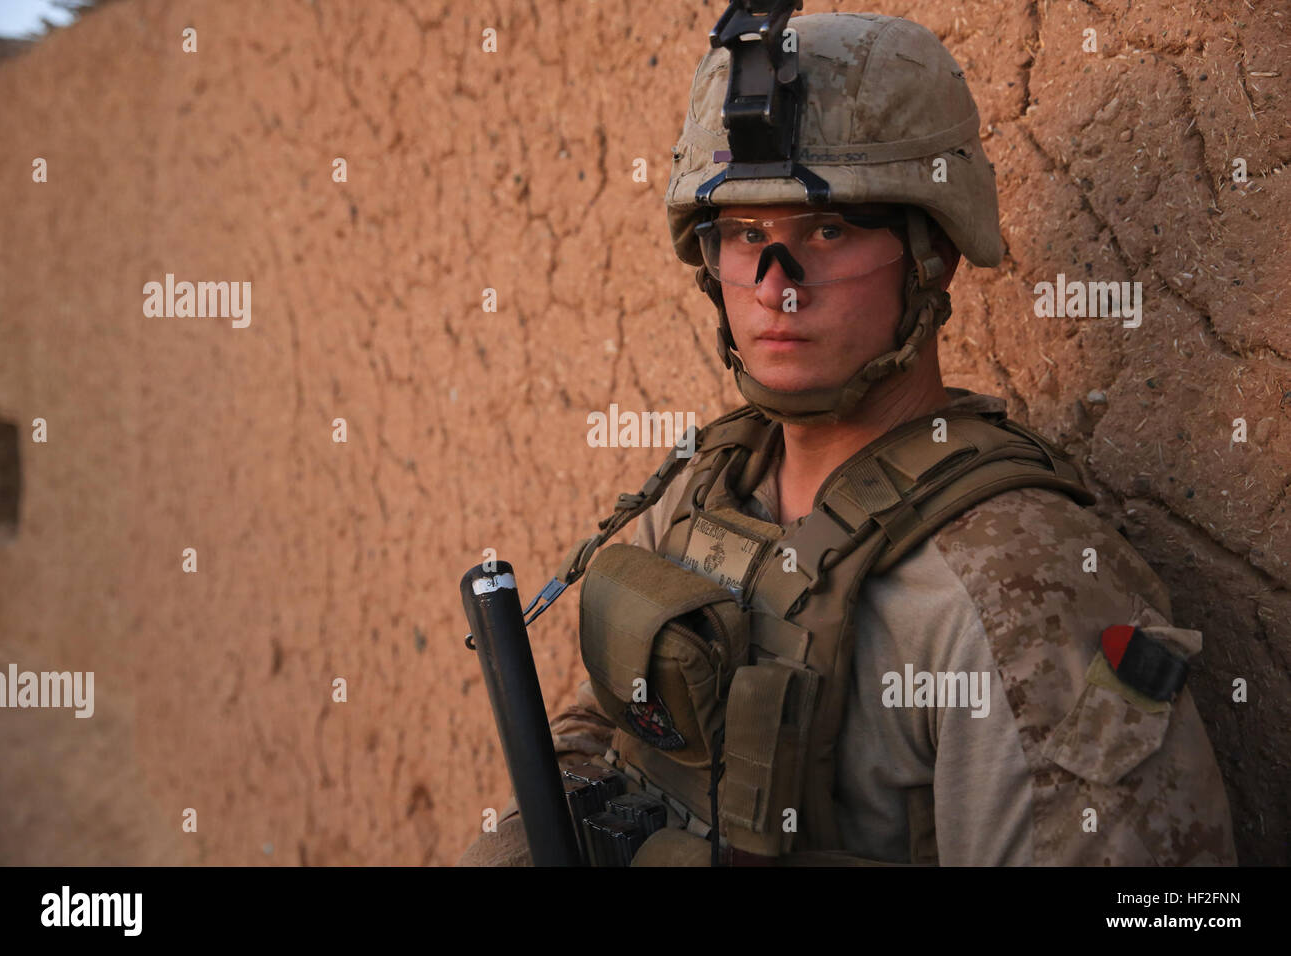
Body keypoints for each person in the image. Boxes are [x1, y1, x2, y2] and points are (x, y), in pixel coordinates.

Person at [459, 9, 1236, 866]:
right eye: (747, 237)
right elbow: (605, 741)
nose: (775, 290)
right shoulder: (704, 491)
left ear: (930, 253)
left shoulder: (1018, 581)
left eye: (826, 233)